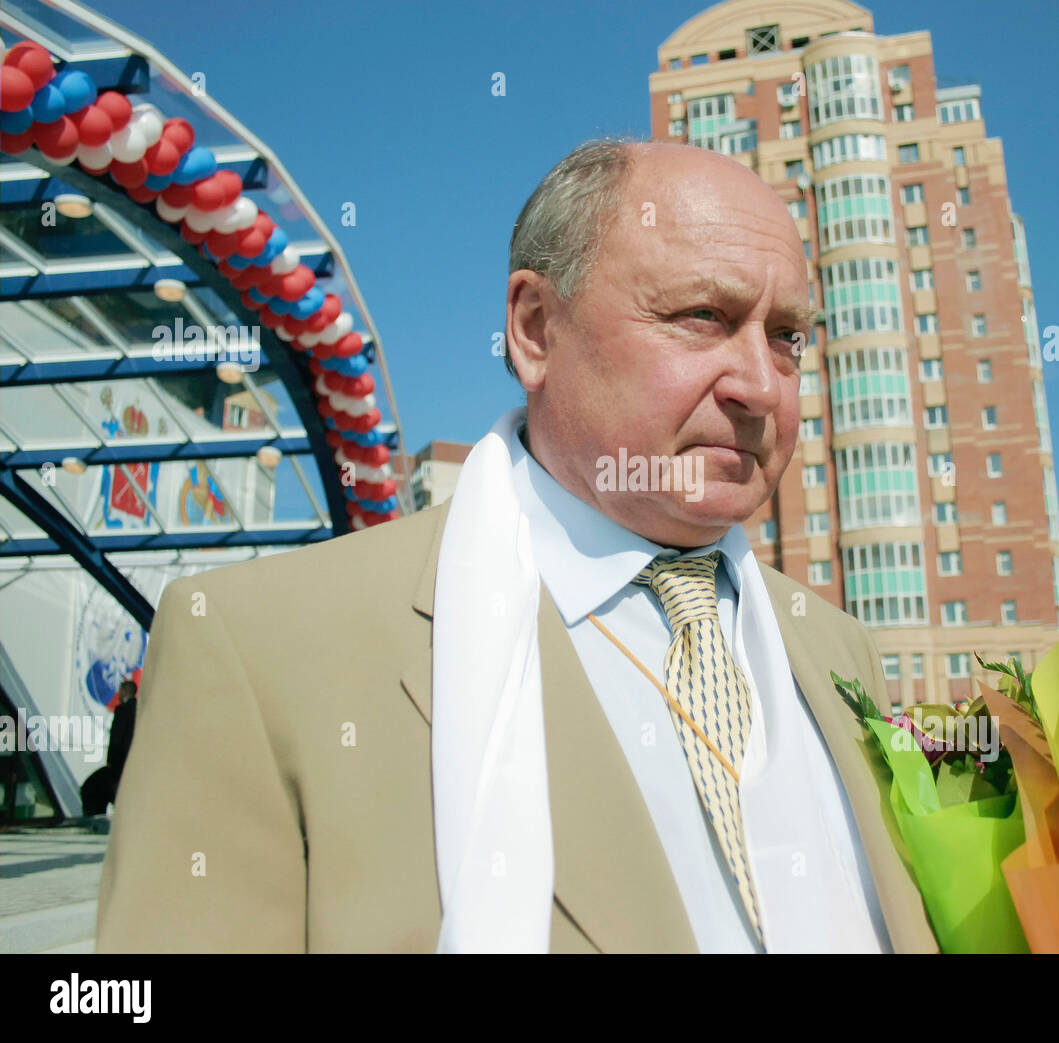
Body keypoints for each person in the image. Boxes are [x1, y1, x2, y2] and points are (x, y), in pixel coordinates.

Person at [97, 139, 937, 954]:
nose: (759, 384)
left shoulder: (836, 650)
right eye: (703, 317)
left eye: (787, 335)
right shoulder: (261, 648)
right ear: (536, 329)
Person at [79, 678, 137, 817]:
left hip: (118, 767)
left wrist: (112, 763)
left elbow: (117, 740)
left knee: (90, 788)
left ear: (124, 691)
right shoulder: (139, 710)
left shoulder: (122, 710)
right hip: (131, 766)